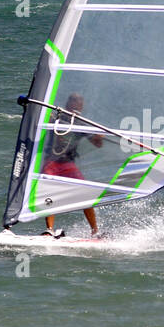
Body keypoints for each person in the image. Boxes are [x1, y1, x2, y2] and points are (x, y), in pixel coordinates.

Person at [41, 92, 104, 237]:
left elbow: (97, 143)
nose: (79, 104)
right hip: (51, 162)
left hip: (68, 163)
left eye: (81, 102)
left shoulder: (80, 123)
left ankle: (95, 232)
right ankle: (49, 229)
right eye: (75, 101)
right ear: (68, 103)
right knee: (49, 192)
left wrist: (99, 137)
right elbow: (44, 119)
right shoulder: (56, 117)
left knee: (85, 193)